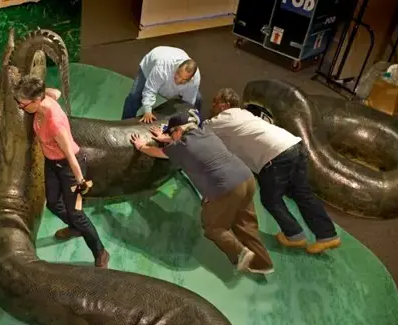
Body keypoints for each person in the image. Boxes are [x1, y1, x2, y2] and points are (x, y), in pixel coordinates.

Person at [130, 111, 275, 275]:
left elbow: (160, 153)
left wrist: (141, 146)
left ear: (178, 130)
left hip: (227, 188)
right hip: (247, 179)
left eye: (171, 132)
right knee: (245, 223)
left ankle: (240, 252)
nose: (170, 135)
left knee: (214, 227)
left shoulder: (181, 147)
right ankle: (263, 263)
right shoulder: (207, 133)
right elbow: (186, 142)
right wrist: (166, 138)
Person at [204, 88, 341, 254]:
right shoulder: (245, 114)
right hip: (294, 146)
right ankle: (328, 235)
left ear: (224, 105)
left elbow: (202, 132)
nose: (212, 106)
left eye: (215, 102)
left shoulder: (223, 118)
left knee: (271, 199)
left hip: (276, 157)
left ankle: (294, 235)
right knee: (302, 194)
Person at [14, 76, 110, 268]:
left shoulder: (54, 123)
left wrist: (80, 181)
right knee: (53, 203)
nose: (20, 107)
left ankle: (100, 251)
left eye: (22, 105)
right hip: (52, 163)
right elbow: (55, 92)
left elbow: (70, 154)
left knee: (76, 213)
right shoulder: (47, 97)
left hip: (69, 166)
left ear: (35, 101)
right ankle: (75, 229)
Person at [121, 46, 201, 123]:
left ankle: (194, 126)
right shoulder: (162, 68)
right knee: (134, 97)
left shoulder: (195, 80)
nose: (179, 80)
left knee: (198, 99)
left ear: (191, 79)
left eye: (184, 80)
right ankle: (124, 123)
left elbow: (187, 103)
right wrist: (148, 111)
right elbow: (150, 89)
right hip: (151, 67)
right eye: (178, 75)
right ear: (177, 67)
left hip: (167, 75)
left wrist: (183, 122)